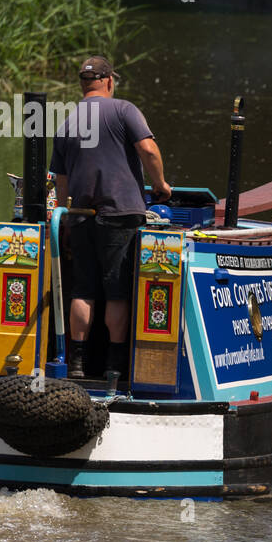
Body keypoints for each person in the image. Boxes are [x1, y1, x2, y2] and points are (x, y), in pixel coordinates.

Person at [50, 56, 171, 379]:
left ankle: (75, 364)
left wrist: (64, 217)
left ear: (82, 85)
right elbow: (148, 150)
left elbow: (60, 182)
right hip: (120, 213)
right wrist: (160, 185)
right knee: (117, 290)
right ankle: (114, 366)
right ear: (109, 82)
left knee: (83, 289)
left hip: (77, 215)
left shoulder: (66, 122)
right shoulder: (123, 110)